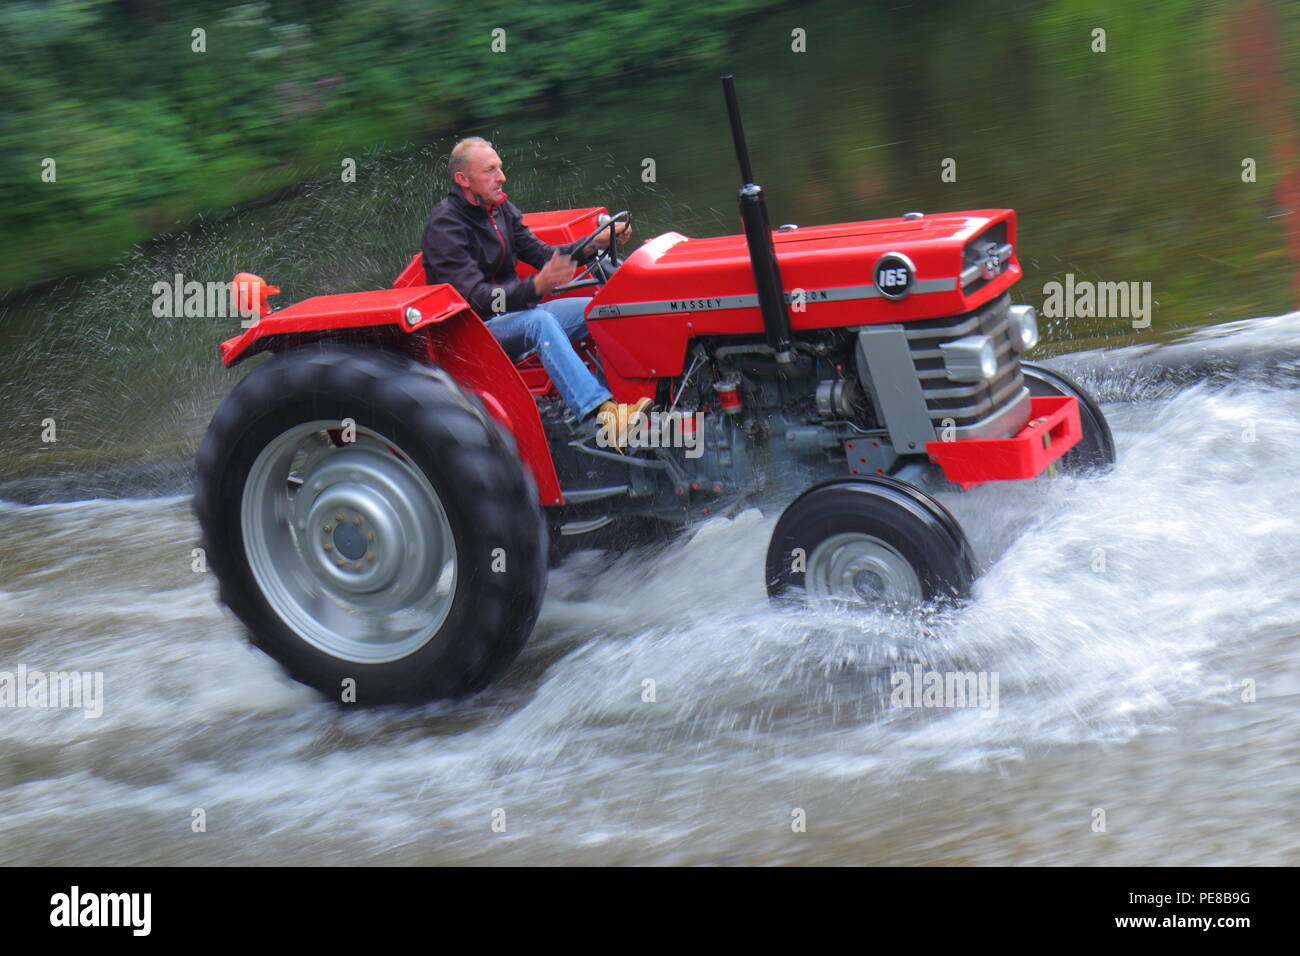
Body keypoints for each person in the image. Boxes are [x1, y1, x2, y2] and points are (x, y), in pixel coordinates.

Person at [420, 137, 649, 446]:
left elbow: (543, 255)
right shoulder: (445, 224)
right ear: (463, 179)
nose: (501, 177)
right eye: (490, 170)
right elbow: (473, 297)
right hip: (475, 333)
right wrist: (535, 287)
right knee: (537, 322)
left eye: (500, 168)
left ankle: (628, 400)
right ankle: (602, 415)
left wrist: (593, 244)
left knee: (604, 309)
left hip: (516, 315)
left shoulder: (501, 210)